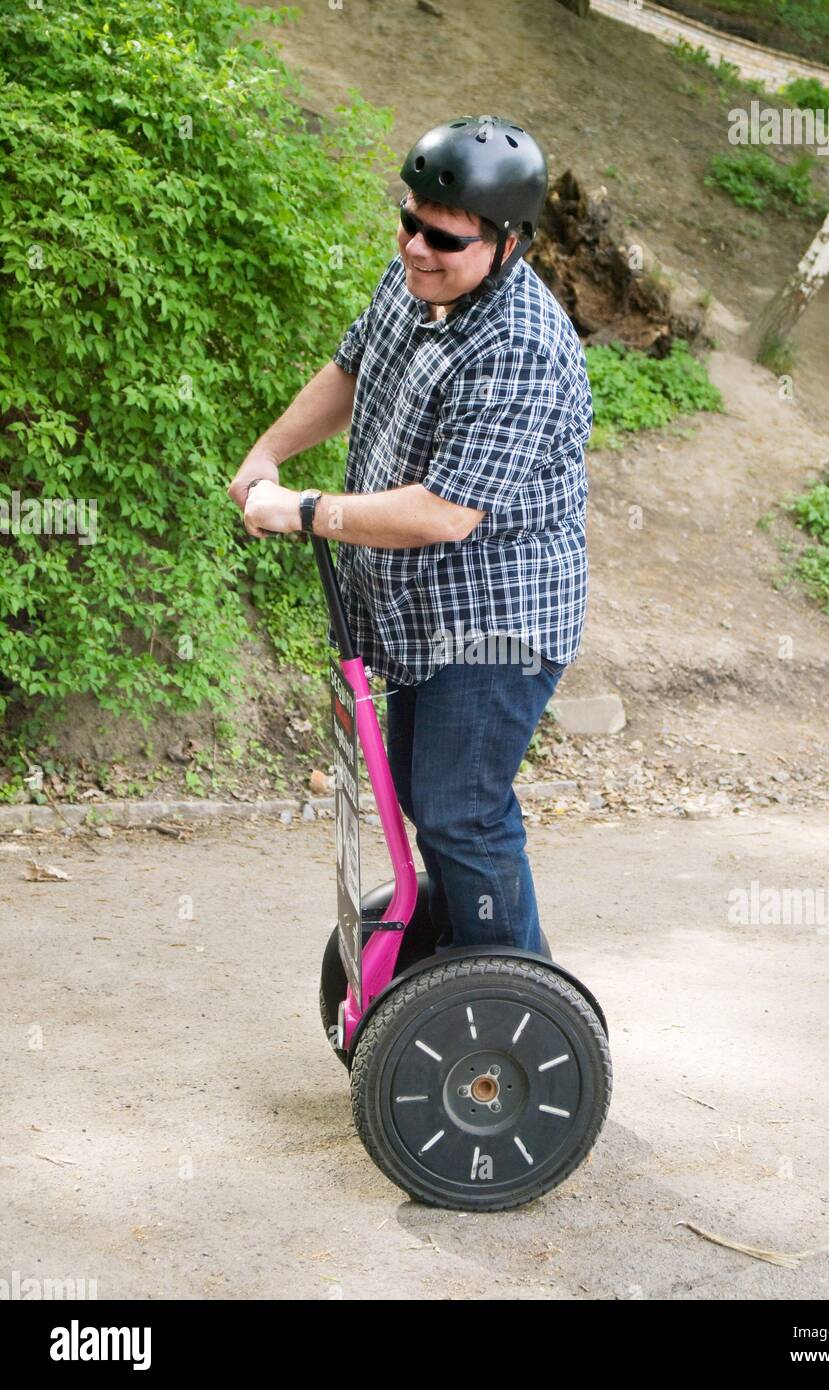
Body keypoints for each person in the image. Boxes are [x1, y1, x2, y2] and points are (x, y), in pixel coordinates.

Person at [227, 115, 593, 955]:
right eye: (409, 221)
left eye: (444, 238)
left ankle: (515, 1007)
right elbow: (352, 366)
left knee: (460, 809)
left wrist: (308, 508)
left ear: (506, 245)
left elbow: (443, 513)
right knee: (430, 805)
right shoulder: (419, 280)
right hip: (415, 608)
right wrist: (270, 451)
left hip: (498, 618)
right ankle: (460, 976)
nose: (416, 247)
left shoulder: (522, 346)